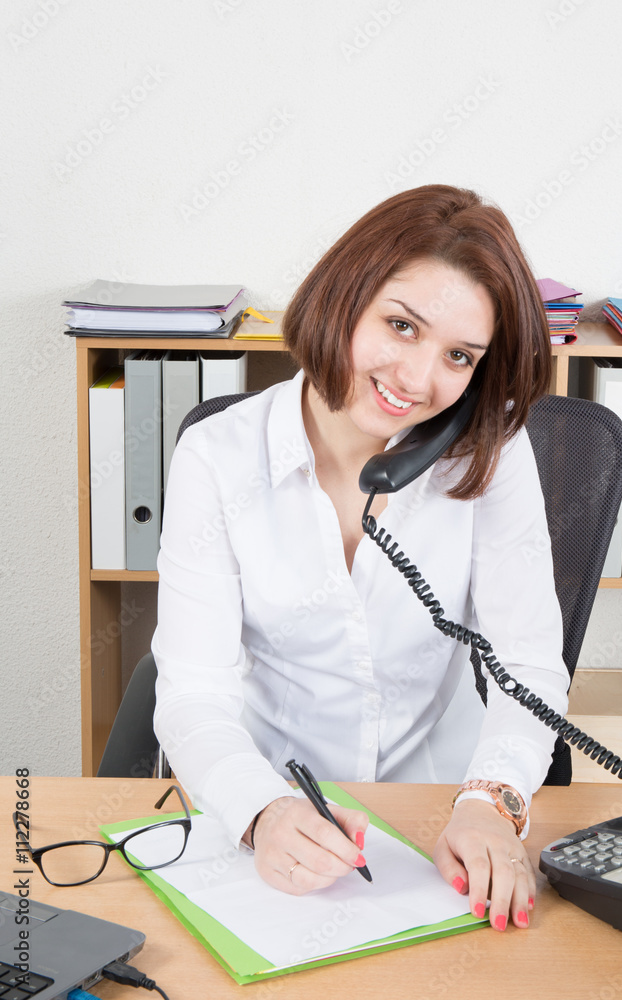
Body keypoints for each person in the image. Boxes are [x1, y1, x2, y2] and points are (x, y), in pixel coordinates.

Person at [152, 184, 569, 934]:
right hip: (273, 811)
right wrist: (259, 811)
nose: (416, 378)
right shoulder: (216, 457)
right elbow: (193, 693)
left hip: (437, 816)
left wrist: (491, 801)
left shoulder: (491, 453)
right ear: (345, 295)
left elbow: (528, 663)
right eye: (400, 325)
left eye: (459, 356)